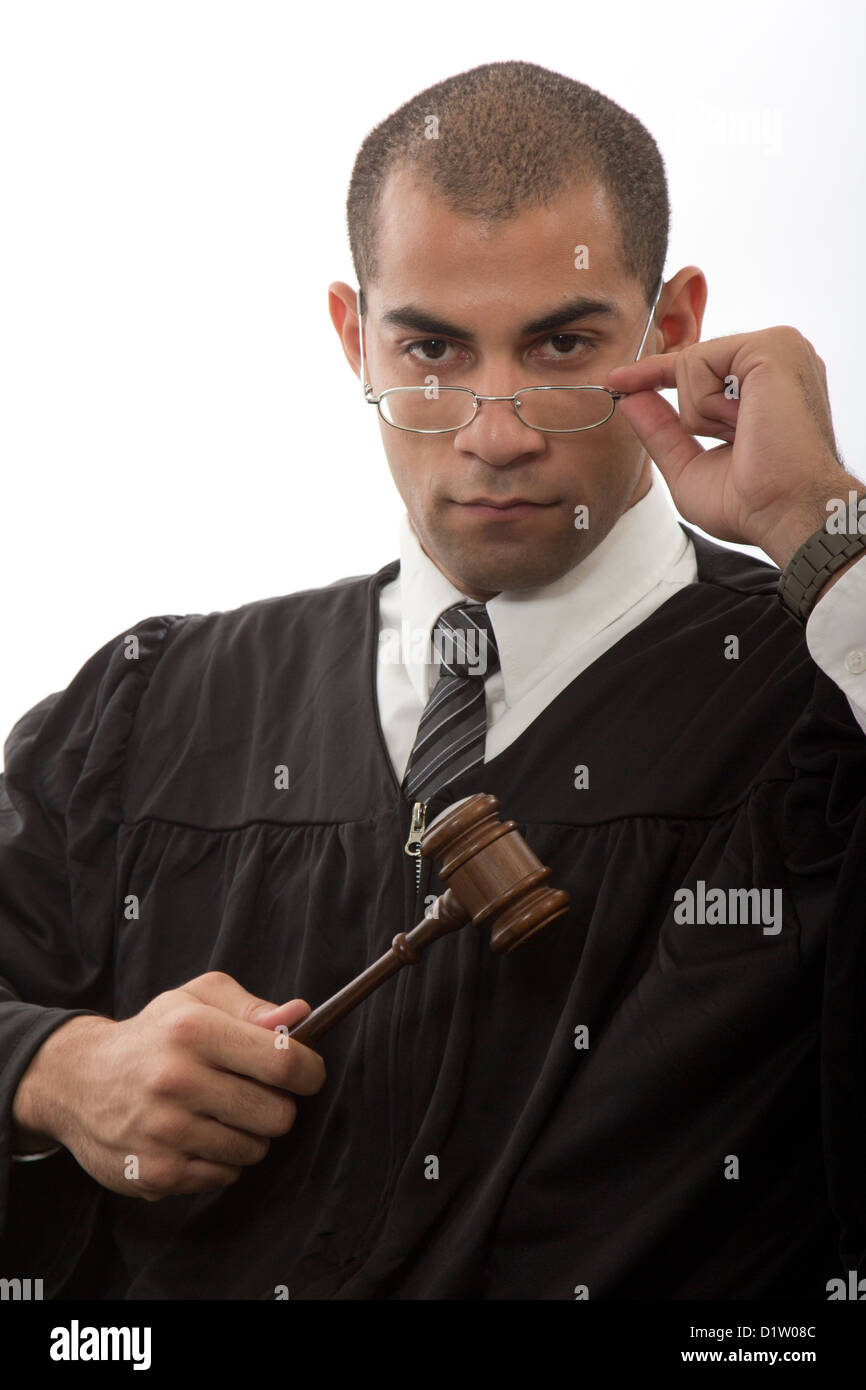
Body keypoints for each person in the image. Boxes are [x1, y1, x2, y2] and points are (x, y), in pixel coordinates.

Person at [2, 59, 865, 1301]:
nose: (494, 428)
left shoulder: (816, 701)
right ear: (355, 335)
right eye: (431, 350)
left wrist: (816, 524)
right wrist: (54, 1069)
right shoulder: (155, 713)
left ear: (669, 332)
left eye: (562, 345)